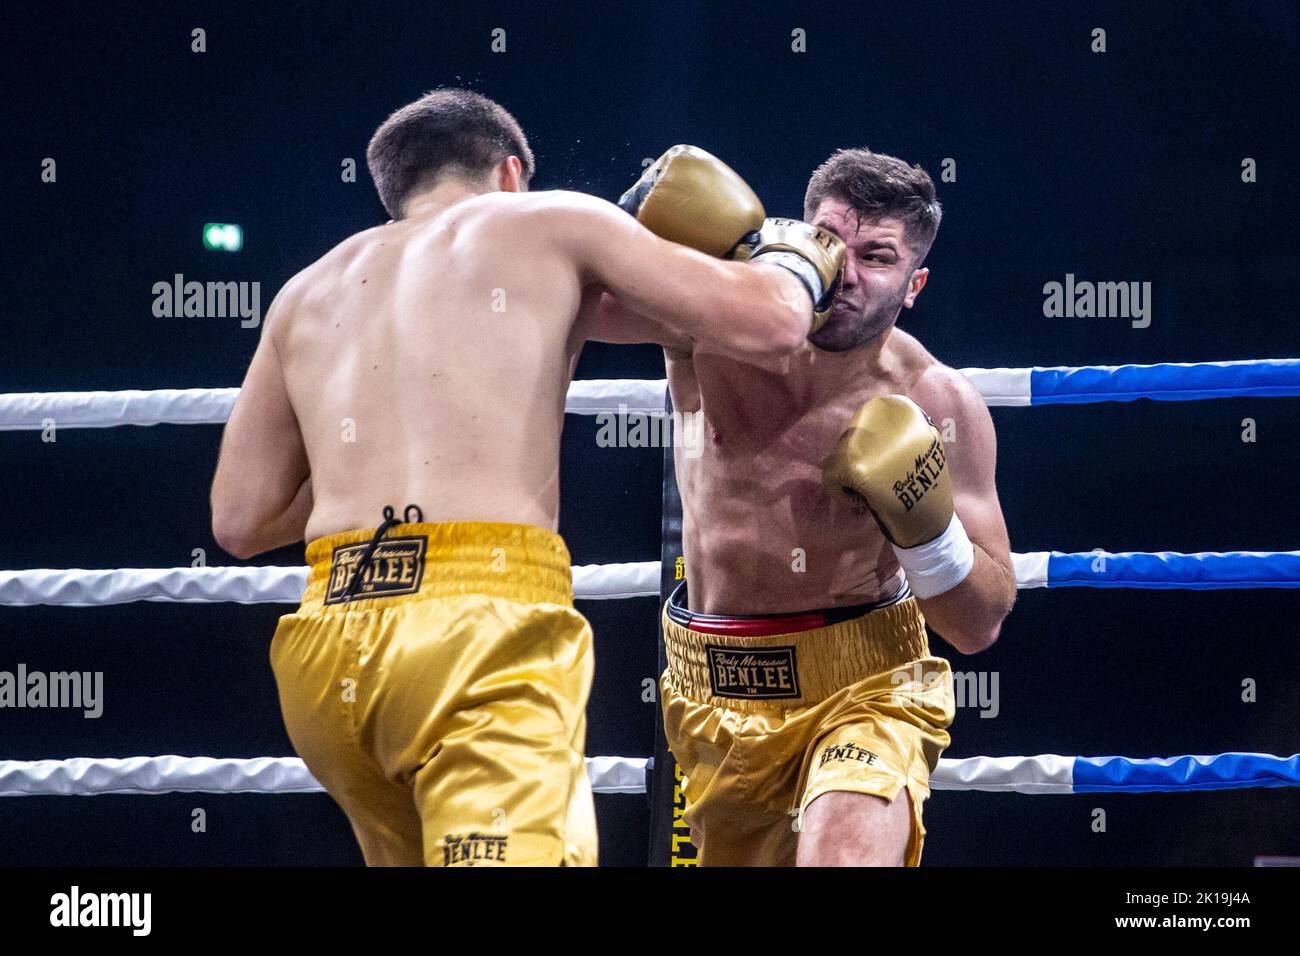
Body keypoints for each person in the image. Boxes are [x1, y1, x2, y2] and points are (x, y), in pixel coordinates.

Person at [208, 88, 844, 866]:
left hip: (327, 649)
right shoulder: (549, 221)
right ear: (512, 173)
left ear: (395, 188)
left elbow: (239, 519)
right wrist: (786, 256)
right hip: (477, 628)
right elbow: (773, 323)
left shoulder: (305, 292)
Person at [593, 147, 1017, 866]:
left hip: (865, 685)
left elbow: (978, 624)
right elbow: (555, 302)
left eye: (877, 256)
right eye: (829, 241)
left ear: (914, 285)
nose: (845, 272)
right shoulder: (718, 325)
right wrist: (629, 220)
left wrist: (924, 527)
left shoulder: (936, 403)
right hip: (713, 683)